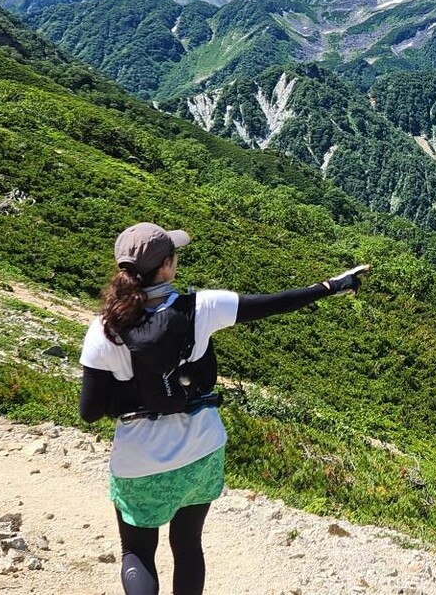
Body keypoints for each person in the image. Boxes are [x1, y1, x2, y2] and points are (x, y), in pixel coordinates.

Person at [79, 221, 367, 595]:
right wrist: (332, 286)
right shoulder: (201, 307)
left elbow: (89, 411)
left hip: (139, 462)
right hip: (201, 450)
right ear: (166, 267)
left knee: (137, 553)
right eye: (174, 256)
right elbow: (273, 303)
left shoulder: (103, 330)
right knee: (187, 548)